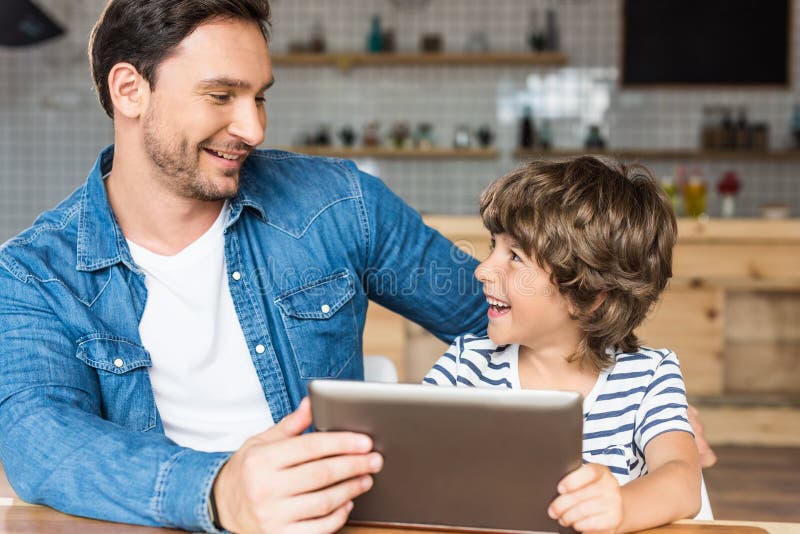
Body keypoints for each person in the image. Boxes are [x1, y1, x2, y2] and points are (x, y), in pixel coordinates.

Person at [0, 1, 714, 533]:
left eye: (259, 97)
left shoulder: (339, 203)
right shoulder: (35, 273)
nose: (252, 127)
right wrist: (220, 491)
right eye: (221, 96)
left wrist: (637, 407)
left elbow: (505, 314)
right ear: (130, 91)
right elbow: (38, 441)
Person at [424, 157, 702, 533]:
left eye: (515, 256)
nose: (483, 269)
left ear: (587, 296)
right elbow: (413, 459)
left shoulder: (649, 377)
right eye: (494, 246)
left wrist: (622, 507)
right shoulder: (465, 365)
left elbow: (683, 480)